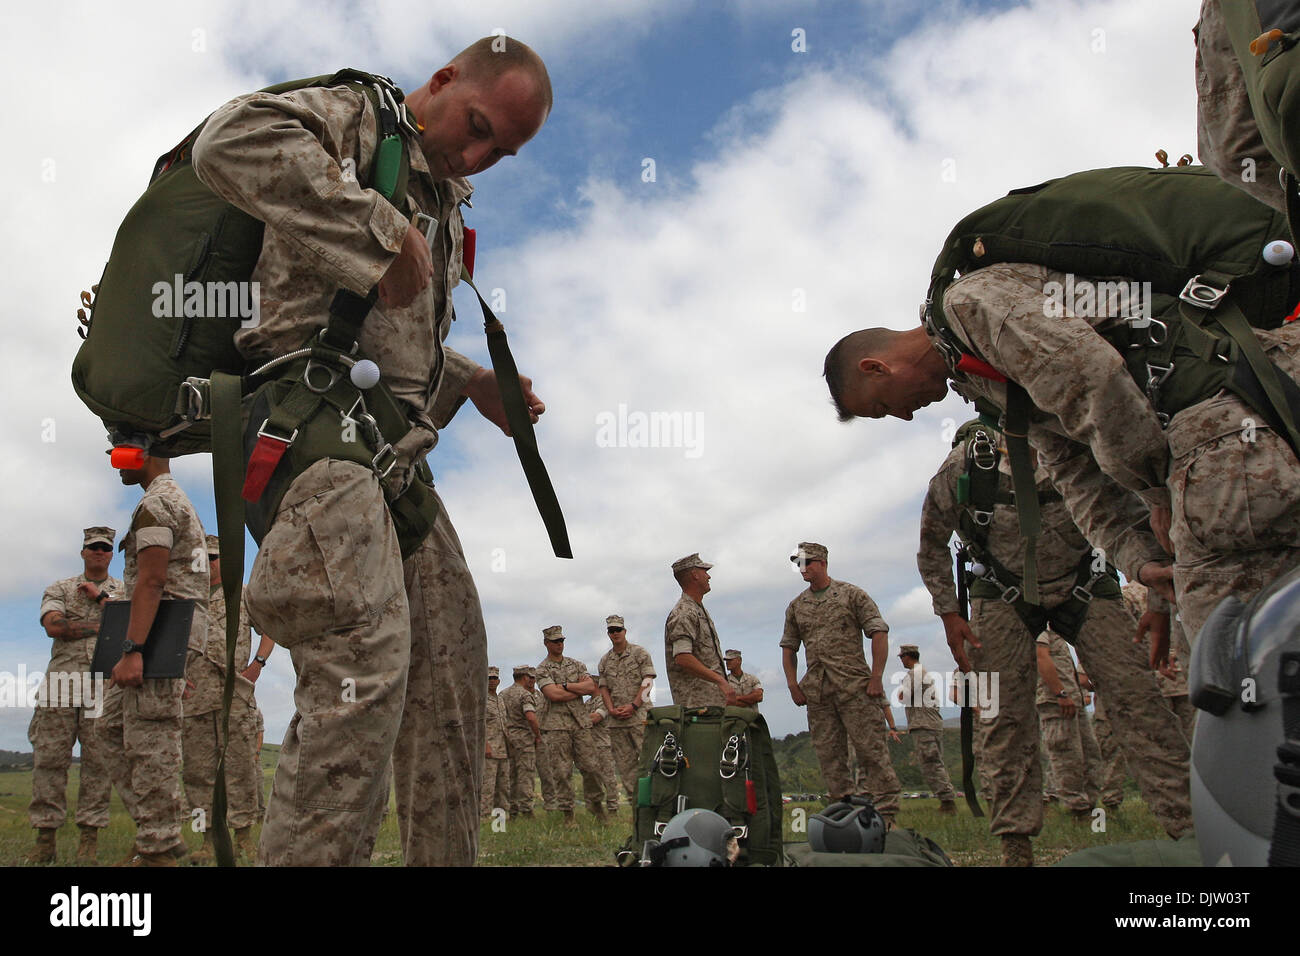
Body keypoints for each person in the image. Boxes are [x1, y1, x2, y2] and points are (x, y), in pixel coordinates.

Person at [192, 36, 553, 866]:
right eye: (478, 127)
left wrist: (467, 379)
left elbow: (378, 336)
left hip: (396, 452)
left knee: (454, 671)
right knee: (364, 664)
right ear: (443, 80)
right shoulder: (360, 120)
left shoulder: (449, 198)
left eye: (503, 149)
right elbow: (230, 141)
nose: (482, 155)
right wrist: (373, 226)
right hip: (313, 432)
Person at [912, 423, 1192, 864]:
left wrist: (1157, 600)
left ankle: (1191, 832)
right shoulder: (965, 464)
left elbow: (1146, 517)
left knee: (1140, 703)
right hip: (1002, 592)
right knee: (1001, 718)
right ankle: (1015, 846)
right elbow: (931, 543)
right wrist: (950, 614)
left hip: (1086, 581)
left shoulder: (1086, 444)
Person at [99, 449, 208, 866]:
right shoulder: (164, 499)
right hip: (162, 636)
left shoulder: (157, 503)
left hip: (161, 634)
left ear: (139, 454)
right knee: (108, 729)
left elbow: (153, 578)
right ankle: (156, 829)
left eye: (119, 455)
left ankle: (159, 849)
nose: (117, 463)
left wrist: (134, 651)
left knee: (150, 740)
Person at [780, 542, 902, 825]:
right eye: (799, 563)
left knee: (872, 751)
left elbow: (879, 632)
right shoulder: (797, 606)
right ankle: (843, 811)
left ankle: (887, 814)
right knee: (829, 755)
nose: (803, 568)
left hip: (856, 688)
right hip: (819, 693)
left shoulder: (852, 595)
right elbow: (789, 647)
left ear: (822, 562)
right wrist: (792, 684)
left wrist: (876, 678)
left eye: (808, 562)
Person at [27, 526, 122, 864]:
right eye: (93, 547)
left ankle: (89, 842)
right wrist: (103, 626)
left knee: (98, 765)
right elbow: (54, 625)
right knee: (49, 761)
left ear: (112, 554)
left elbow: (128, 624)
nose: (99, 552)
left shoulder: (122, 592)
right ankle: (45, 839)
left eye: (105, 548)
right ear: (83, 552)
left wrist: (101, 603)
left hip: (102, 687)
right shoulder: (61, 588)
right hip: (60, 686)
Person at [183, 534, 262, 863]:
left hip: (234, 696)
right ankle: (206, 841)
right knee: (197, 772)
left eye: (214, 557)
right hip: (196, 698)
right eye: (204, 558)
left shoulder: (242, 596)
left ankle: (243, 838)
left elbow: (269, 627)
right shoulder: (188, 601)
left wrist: (258, 663)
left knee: (239, 769)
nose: (209, 564)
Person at [535, 626, 605, 826]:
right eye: (555, 641)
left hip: (580, 723)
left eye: (561, 640)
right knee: (562, 771)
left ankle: (596, 805)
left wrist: (564, 686)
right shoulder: (542, 669)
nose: (559, 644)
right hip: (556, 725)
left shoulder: (577, 664)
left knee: (591, 767)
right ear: (546, 643)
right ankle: (568, 814)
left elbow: (591, 687)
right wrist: (577, 689)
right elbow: (552, 695)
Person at [1035, 630, 1098, 822]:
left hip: (1073, 700)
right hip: (1056, 701)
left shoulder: (1057, 629)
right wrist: (1059, 693)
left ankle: (1092, 808)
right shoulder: (1039, 625)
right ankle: (1078, 812)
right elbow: (1040, 656)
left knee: (1091, 754)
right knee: (1067, 758)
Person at [597, 614, 656, 805]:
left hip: (640, 717)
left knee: (650, 761)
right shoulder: (605, 661)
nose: (615, 634)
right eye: (611, 631)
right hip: (617, 722)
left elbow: (648, 681)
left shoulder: (640, 653)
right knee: (625, 766)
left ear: (625, 631)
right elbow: (603, 688)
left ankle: (655, 802)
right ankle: (636, 805)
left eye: (618, 630)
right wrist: (611, 709)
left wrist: (634, 705)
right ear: (608, 634)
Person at [664, 554, 734, 707]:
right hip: (697, 707)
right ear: (695, 575)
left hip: (713, 703)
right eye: (704, 571)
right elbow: (682, 657)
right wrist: (720, 680)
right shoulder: (684, 613)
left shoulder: (698, 610)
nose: (708, 576)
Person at [896, 644, 956, 813]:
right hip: (930, 723)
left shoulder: (914, 674)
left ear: (908, 656)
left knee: (930, 763)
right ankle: (947, 799)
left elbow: (903, 697)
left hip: (923, 724)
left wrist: (902, 692)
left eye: (901, 656)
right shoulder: (922, 672)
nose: (901, 660)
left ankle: (947, 801)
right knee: (935, 762)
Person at [499, 665, 541, 819]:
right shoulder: (525, 695)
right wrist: (537, 735)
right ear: (524, 678)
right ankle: (527, 809)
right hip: (524, 738)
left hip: (507, 738)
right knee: (526, 774)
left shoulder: (502, 694)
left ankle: (512, 810)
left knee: (511, 775)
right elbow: (530, 717)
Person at [481, 666, 511, 819]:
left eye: (494, 678)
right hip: (489, 749)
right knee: (488, 785)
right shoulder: (481, 700)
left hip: (503, 749)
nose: (492, 681)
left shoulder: (500, 700)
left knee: (503, 785)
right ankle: (485, 815)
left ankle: (502, 815)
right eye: (489, 678)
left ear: (499, 680)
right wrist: (485, 745)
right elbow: (480, 726)